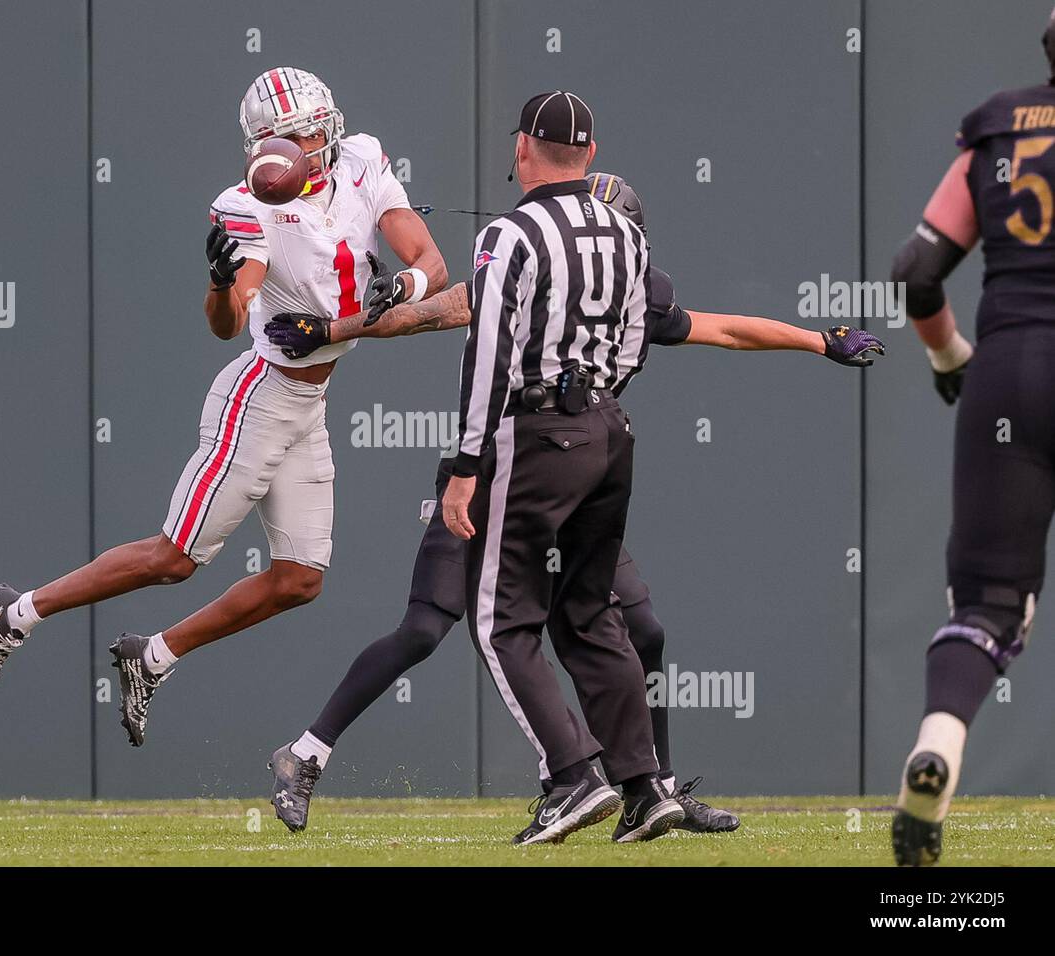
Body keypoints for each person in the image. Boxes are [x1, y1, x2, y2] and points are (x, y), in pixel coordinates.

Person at [265, 172, 884, 836]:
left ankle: (653, 790)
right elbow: (429, 312)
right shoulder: (526, 273)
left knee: (639, 629)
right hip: (496, 473)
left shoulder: (633, 291)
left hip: (570, 481)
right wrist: (331, 328)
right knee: (426, 628)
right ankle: (308, 754)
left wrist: (820, 341)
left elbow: (725, 329)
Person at [0, 67, 447, 750]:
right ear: (272, 147)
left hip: (312, 401)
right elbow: (229, 319)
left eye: (321, 120)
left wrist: (406, 282)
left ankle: (153, 656)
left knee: (299, 580)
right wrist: (221, 284)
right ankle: (17, 613)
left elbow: (431, 258)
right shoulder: (248, 206)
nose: (323, 133)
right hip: (263, 394)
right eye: (307, 128)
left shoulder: (363, 157)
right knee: (174, 559)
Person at [890, 10, 1055, 866]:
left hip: (1011, 367)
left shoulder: (999, 125)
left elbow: (916, 272)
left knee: (988, 604)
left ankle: (941, 749)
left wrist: (951, 355)